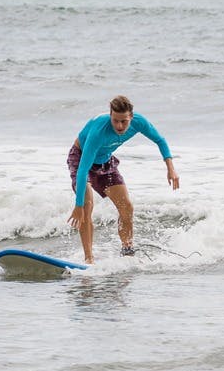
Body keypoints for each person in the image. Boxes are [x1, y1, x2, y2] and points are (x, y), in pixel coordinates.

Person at [67, 95, 179, 263]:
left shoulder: (139, 122)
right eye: (115, 121)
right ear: (110, 115)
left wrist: (171, 169)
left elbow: (160, 140)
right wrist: (78, 205)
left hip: (105, 160)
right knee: (86, 205)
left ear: (131, 117)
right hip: (82, 158)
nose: (119, 126)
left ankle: (127, 251)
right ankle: (89, 259)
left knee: (126, 206)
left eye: (124, 121)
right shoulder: (99, 132)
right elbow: (83, 170)